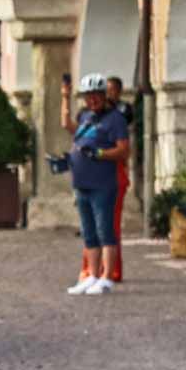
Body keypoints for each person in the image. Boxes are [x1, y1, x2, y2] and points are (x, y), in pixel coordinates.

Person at [62, 73, 130, 295]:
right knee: (89, 233)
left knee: (105, 231)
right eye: (88, 96)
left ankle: (107, 277)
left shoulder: (115, 119)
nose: (92, 100)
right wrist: (65, 96)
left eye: (96, 96)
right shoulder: (85, 116)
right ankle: (91, 275)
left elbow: (123, 150)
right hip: (82, 182)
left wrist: (100, 153)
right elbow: (68, 126)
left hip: (103, 183)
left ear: (104, 95)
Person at [103, 75, 136, 283]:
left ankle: (112, 269)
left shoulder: (122, 111)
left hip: (114, 172)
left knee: (110, 225)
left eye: (112, 90)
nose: (109, 94)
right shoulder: (98, 114)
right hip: (99, 174)